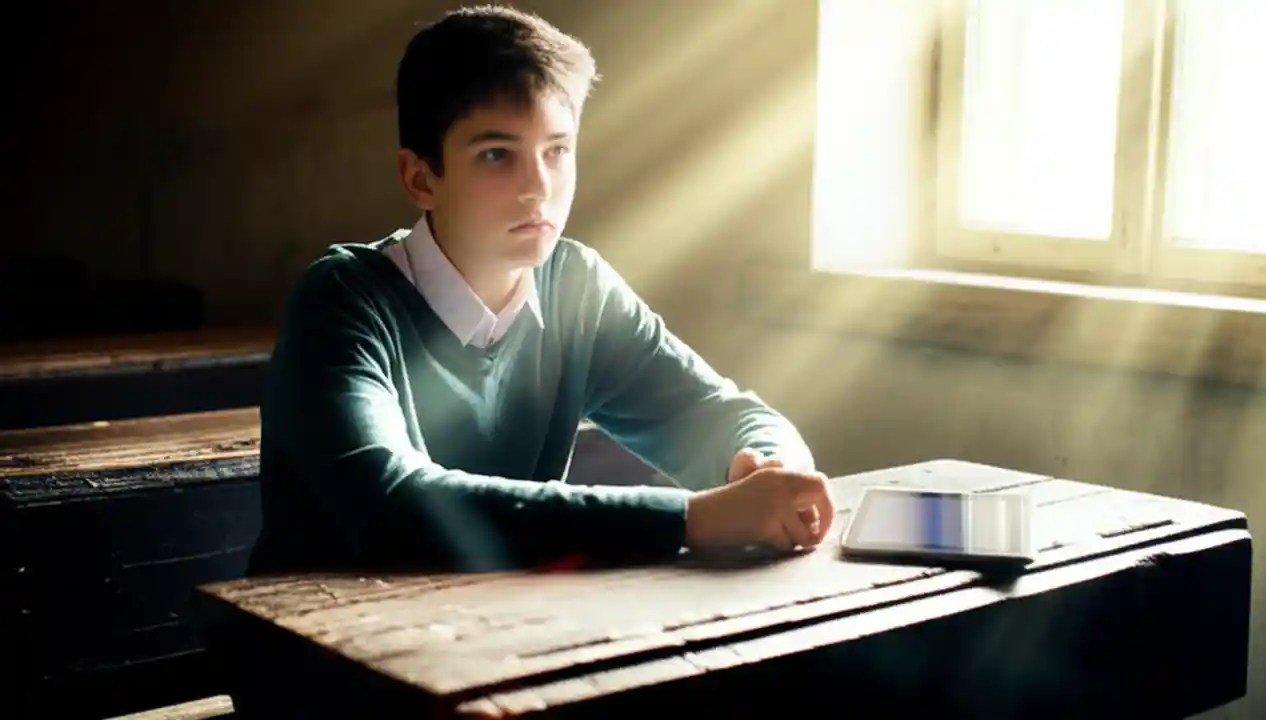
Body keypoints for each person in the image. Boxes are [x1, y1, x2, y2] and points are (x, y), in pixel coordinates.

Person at [247, 4, 834, 575]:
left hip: (497, 624)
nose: (539, 186)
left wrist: (769, 471)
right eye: (496, 155)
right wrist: (690, 519)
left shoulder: (575, 287)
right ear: (421, 178)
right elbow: (388, 501)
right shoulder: (342, 299)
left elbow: (714, 412)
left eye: (557, 150)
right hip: (319, 631)